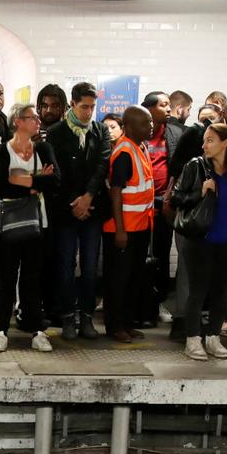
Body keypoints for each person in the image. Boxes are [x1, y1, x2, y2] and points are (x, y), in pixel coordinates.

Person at [169, 122, 227, 362]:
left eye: (210, 140)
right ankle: (193, 339)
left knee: (222, 291)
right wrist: (201, 192)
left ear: (225, 142)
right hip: (200, 239)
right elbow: (176, 197)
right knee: (198, 291)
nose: (204, 145)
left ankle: (213, 337)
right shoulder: (195, 166)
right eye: (205, 140)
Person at [0, 103, 59, 353]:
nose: (37, 122)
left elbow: (55, 182)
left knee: (33, 278)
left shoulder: (43, 148)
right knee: (7, 277)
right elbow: (0, 185)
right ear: (18, 122)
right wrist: (36, 183)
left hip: (38, 221)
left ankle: (37, 330)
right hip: (9, 224)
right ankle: (1, 331)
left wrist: (20, 179)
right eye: (32, 118)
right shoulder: (2, 151)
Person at [45, 81, 110, 339]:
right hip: (66, 209)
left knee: (91, 265)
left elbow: (102, 164)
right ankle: (68, 316)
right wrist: (75, 201)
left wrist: (88, 196)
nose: (88, 112)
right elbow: (57, 171)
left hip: (92, 207)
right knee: (65, 265)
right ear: (72, 104)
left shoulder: (100, 130)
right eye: (84, 107)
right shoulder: (57, 131)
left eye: (92, 107)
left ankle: (87, 317)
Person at [102, 106, 155, 343]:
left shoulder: (139, 147)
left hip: (140, 227)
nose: (150, 126)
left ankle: (126, 322)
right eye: (146, 123)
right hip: (123, 230)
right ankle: (114, 326)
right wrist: (121, 230)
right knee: (118, 280)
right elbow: (116, 193)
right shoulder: (124, 151)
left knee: (133, 278)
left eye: (151, 122)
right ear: (131, 126)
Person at [142, 90, 182, 328]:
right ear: (149, 108)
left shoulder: (174, 134)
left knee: (162, 253)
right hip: (139, 205)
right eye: (163, 105)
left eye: (169, 105)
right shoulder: (136, 132)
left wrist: (171, 198)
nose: (169, 109)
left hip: (164, 202)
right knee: (138, 254)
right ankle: (139, 301)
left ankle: (158, 302)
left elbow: (177, 169)